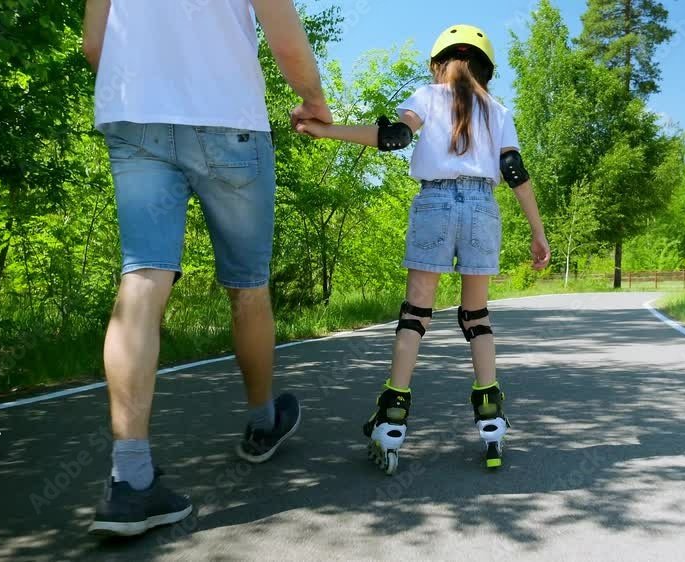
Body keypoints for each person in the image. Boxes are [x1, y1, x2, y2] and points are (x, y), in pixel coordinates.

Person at [81, 0, 331, 536]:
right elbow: (286, 41)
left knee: (141, 278)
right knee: (248, 286)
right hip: (228, 120)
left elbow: (94, 46)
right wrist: (313, 99)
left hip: (133, 120)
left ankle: (130, 481)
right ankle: (263, 425)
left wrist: (150, 90)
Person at [298, 24, 550, 474]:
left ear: (437, 65)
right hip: (481, 206)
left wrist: (327, 130)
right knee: (476, 317)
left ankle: (393, 418)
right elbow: (512, 168)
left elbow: (394, 137)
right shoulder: (498, 109)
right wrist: (538, 231)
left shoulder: (427, 96)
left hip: (434, 202)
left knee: (416, 313)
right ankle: (490, 420)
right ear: (486, 71)